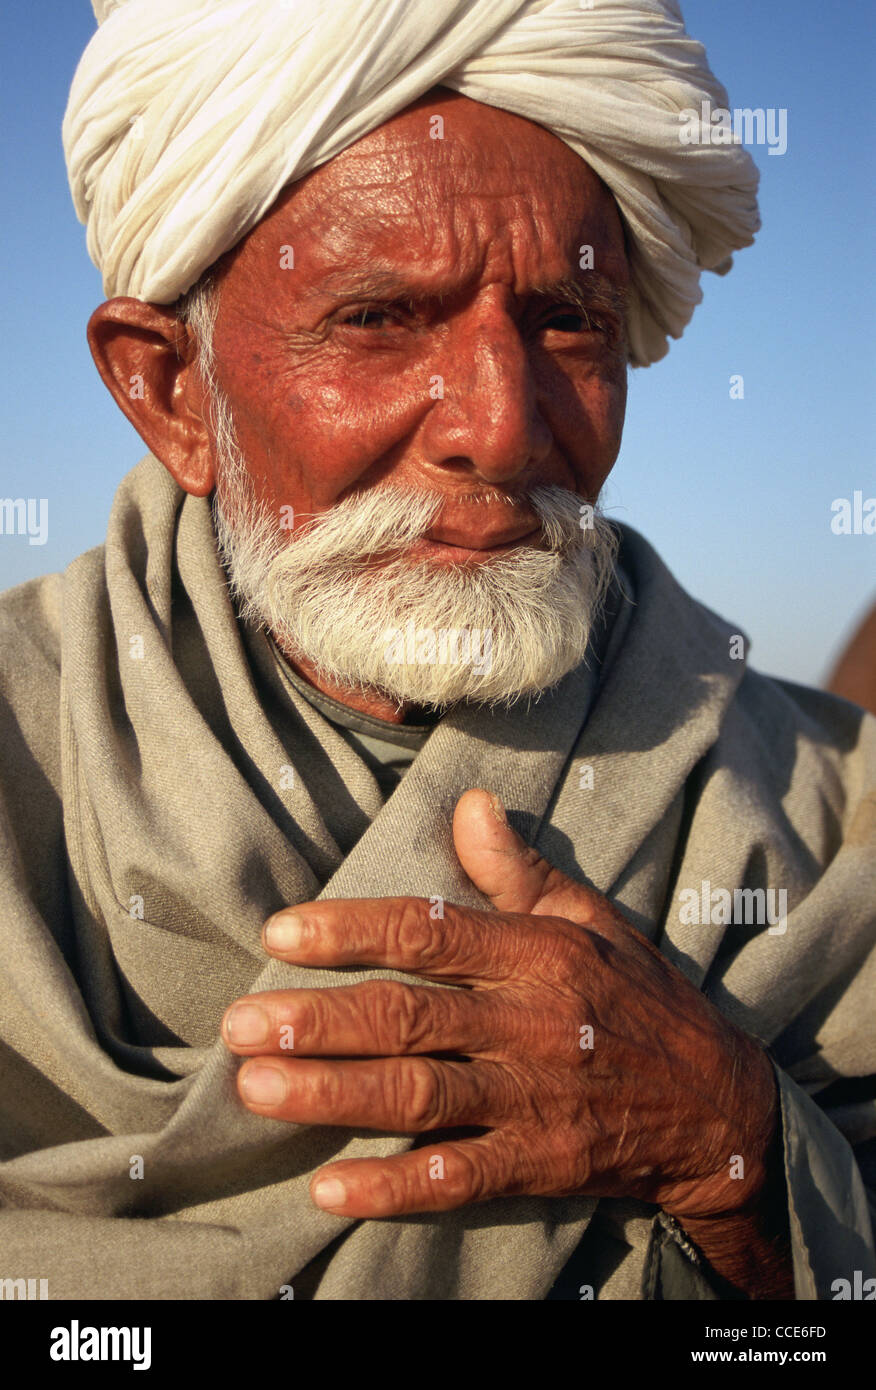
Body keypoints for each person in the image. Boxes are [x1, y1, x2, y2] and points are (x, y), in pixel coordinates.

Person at [0, 0, 872, 1302]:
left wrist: (734, 1143)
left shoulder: (832, 807)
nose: (503, 428)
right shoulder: (25, 757)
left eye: (568, 320)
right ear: (170, 391)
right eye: (379, 318)